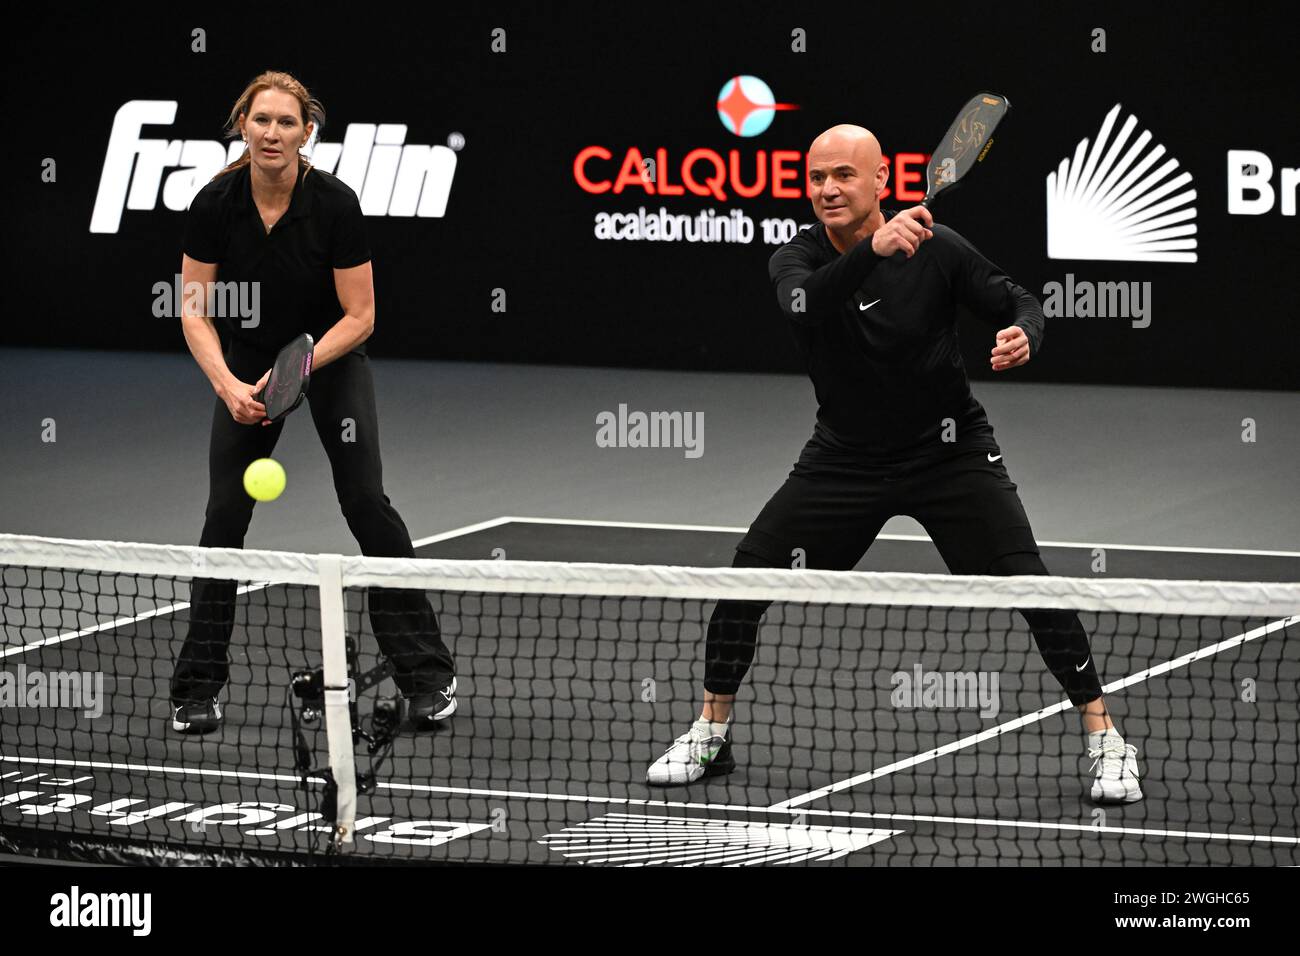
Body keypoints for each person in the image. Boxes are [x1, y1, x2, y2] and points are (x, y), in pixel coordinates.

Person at [647, 125, 1142, 804]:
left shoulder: (938, 248)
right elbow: (807, 303)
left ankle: (1104, 737)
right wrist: (874, 251)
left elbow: (1020, 297)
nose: (827, 189)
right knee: (747, 579)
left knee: (1031, 587)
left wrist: (1025, 332)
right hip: (845, 457)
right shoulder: (795, 259)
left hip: (949, 453)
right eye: (817, 176)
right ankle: (711, 731)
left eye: (844, 175)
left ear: (881, 180)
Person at [169, 71, 456, 734]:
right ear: (243, 124)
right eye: (262, 120)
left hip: (328, 359)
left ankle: (428, 678)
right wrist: (231, 385)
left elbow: (361, 316)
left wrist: (295, 370)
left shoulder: (333, 203)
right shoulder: (215, 203)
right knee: (224, 517)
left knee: (366, 504)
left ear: (307, 132)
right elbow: (194, 310)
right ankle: (197, 687)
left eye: (287, 123)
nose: (273, 133)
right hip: (245, 364)